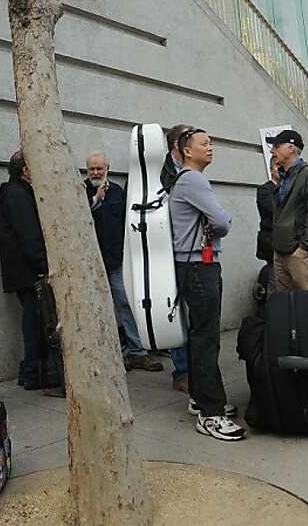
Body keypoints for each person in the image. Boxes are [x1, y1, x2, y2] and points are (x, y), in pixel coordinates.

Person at [170, 127, 245, 440]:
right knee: (206, 339)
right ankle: (210, 414)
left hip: (193, 266)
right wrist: (222, 220)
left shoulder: (184, 180)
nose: (210, 147)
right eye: (204, 143)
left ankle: (200, 398)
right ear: (187, 151)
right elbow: (222, 221)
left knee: (201, 335)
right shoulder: (192, 179)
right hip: (200, 267)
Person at [85, 152, 162, 372]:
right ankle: (106, 353)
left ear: (107, 168)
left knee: (125, 304)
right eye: (92, 169)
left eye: (99, 168)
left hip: (116, 260)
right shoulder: (81, 191)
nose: (96, 173)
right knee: (97, 309)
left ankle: (137, 351)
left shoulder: (118, 191)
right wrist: (95, 201)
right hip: (92, 264)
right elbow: (79, 221)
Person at [0, 151, 50, 390]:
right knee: (34, 320)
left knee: (33, 319)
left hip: (23, 270)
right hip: (28, 272)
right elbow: (29, 236)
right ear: (25, 170)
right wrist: (42, 266)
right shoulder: (18, 195)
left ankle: (32, 371)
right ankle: (32, 372)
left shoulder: (14, 193)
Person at [267, 129, 308, 293]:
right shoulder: (284, 177)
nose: (273, 150)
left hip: (300, 251)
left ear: (291, 148)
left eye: (277, 145)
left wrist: (305, 247)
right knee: (288, 305)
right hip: (282, 251)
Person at [163, 123, 194, 393]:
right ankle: (183, 370)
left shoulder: (188, 172)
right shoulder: (163, 174)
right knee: (176, 312)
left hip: (189, 253)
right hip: (170, 253)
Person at [256, 155, 280, 264]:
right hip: (272, 242)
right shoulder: (265, 190)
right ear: (271, 170)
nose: (280, 168)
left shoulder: (291, 189)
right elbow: (274, 210)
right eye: (277, 165)